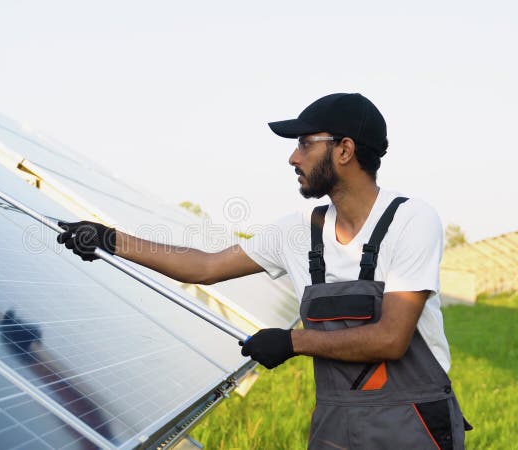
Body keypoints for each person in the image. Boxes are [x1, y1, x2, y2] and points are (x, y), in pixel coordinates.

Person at [57, 93, 470, 449]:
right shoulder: (297, 232)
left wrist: (292, 342)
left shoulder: (411, 221)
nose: (293, 156)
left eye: (306, 144)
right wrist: (111, 240)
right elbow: (205, 266)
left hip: (412, 422)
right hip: (335, 421)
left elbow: (390, 338)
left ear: (344, 151)